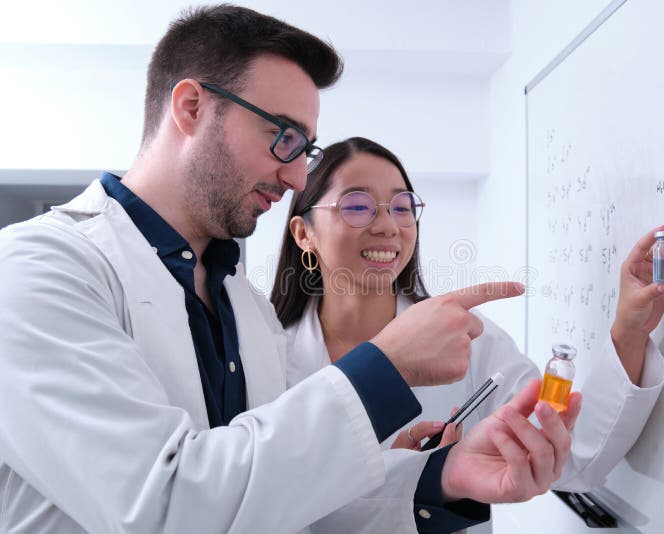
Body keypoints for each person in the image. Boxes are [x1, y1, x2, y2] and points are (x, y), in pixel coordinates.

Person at [0, 6, 582, 534]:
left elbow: (273, 499)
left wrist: (442, 477)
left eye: (304, 149)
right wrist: (384, 367)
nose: (298, 179)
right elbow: (164, 505)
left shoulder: (245, 307)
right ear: (191, 108)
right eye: (283, 138)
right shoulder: (39, 269)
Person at [270, 136, 664, 532]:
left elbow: (573, 457)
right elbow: (260, 503)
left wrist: (629, 329)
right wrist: (407, 475)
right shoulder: (267, 352)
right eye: (358, 206)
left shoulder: (467, 338)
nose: (388, 226)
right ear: (304, 233)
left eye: (402, 207)